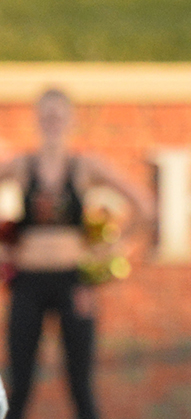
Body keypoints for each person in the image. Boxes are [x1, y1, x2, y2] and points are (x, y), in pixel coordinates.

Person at [0, 89, 154, 419]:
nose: (52, 121)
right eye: (46, 115)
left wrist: (117, 244)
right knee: (20, 385)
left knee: (80, 384)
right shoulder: (21, 166)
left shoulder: (84, 167)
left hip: (74, 282)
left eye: (58, 115)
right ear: (37, 119)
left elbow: (143, 204)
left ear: (70, 120)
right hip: (27, 283)